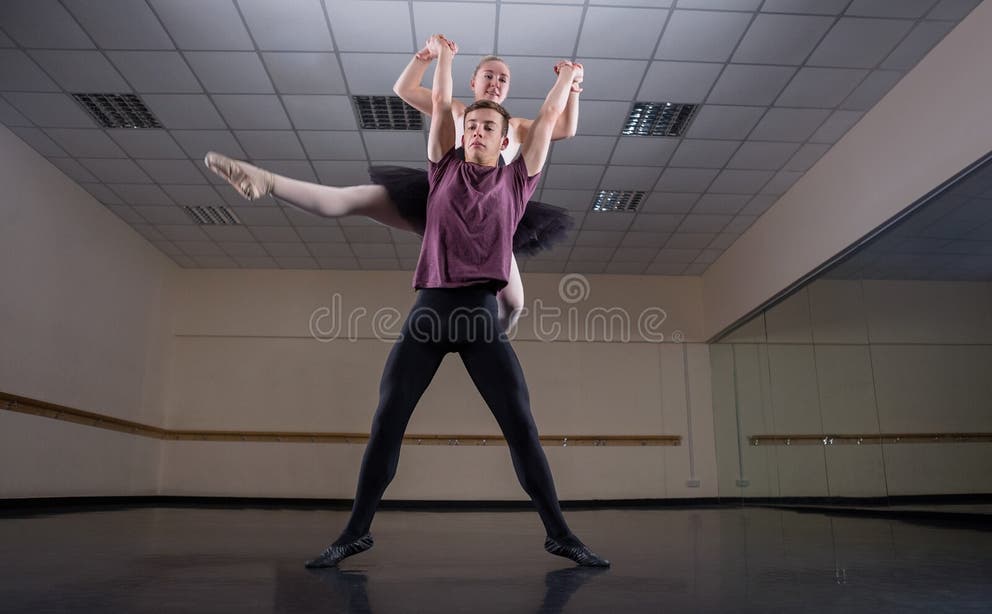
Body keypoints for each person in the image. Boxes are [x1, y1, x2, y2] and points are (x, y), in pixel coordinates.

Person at [303, 34, 609, 569]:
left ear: (502, 138)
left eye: (488, 127)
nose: (477, 130)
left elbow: (549, 118)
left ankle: (560, 533)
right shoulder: (441, 170)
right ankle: (355, 532)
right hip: (428, 315)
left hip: (480, 320)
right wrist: (443, 58)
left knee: (521, 426)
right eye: (472, 125)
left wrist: (567, 78)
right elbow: (442, 104)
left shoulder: (517, 184)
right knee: (387, 422)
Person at [204, 43, 583, 330]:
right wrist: (428, 55)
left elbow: (563, 127)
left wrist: (575, 90)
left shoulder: (515, 126)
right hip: (441, 201)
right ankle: (266, 181)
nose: (496, 83)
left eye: (503, 79)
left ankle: (493, 336)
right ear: (474, 81)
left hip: (490, 220)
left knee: (515, 303)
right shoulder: (452, 110)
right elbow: (405, 88)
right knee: (351, 199)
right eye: (489, 76)